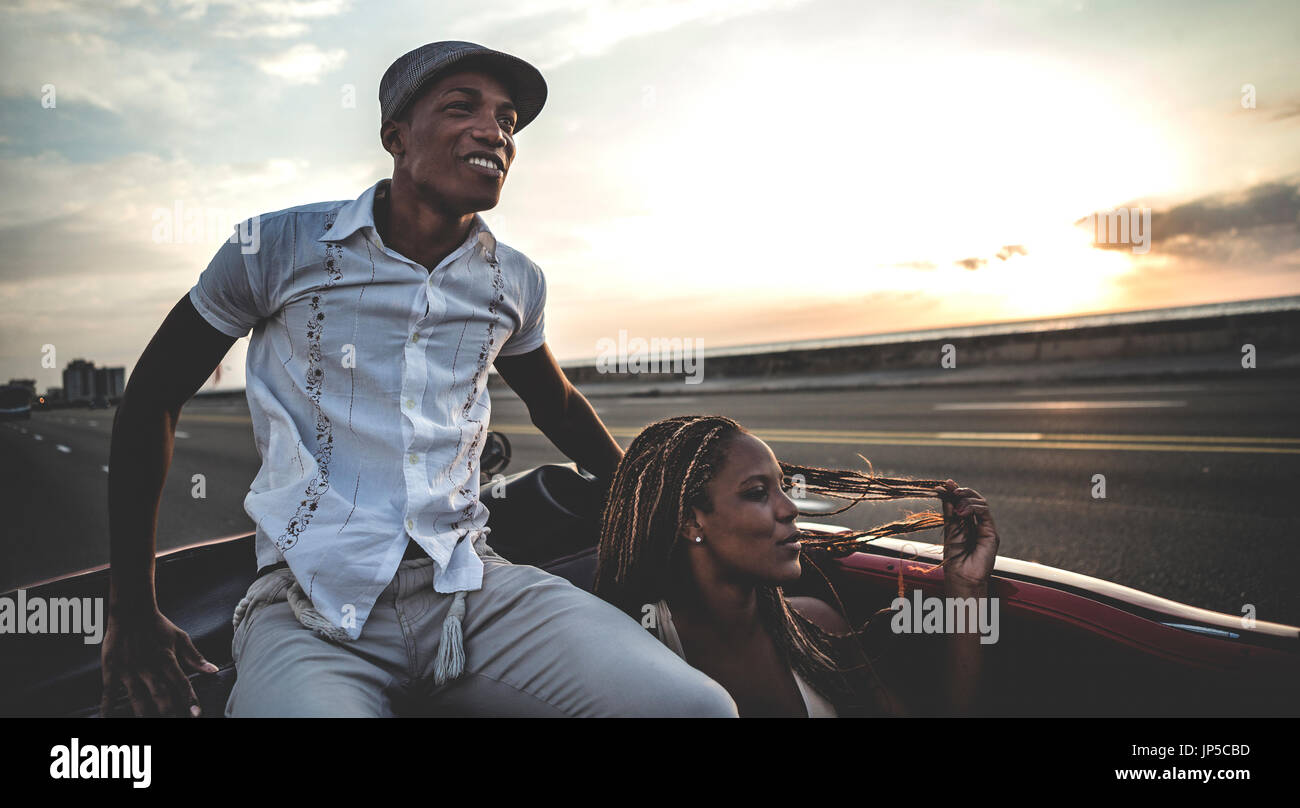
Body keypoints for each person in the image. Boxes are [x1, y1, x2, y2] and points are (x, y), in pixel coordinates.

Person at [100, 42, 738, 718]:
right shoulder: (276, 249)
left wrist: (651, 508)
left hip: (473, 588)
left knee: (695, 707)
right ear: (395, 137)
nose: (494, 130)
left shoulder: (513, 281)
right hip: (309, 607)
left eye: (508, 120)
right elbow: (152, 398)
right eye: (462, 108)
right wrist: (133, 607)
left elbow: (558, 402)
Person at [594, 415, 1000, 717]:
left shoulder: (817, 628)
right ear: (689, 520)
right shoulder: (638, 655)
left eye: (784, 488)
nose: (790, 508)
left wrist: (966, 587)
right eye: (757, 493)